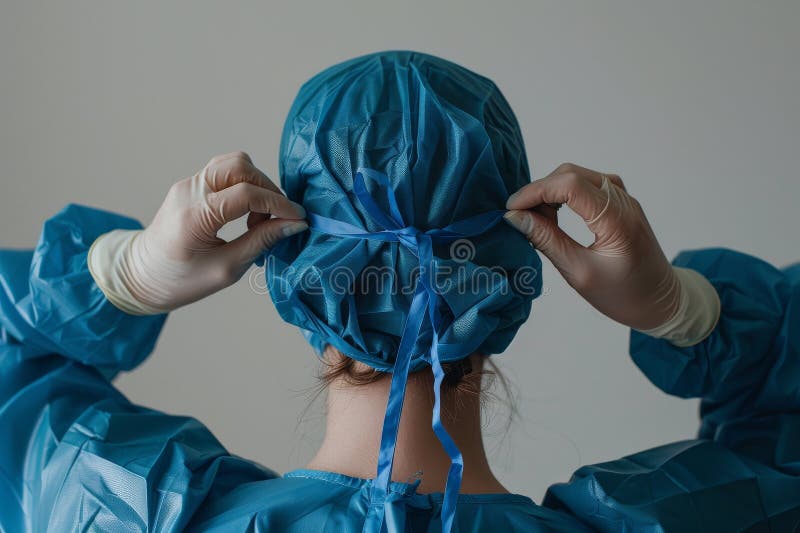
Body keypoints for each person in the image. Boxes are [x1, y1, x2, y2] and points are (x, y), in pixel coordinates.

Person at [1, 52, 798, 532]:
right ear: (518, 280)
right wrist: (687, 311)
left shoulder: (115, 505)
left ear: (291, 270)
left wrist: (122, 276)